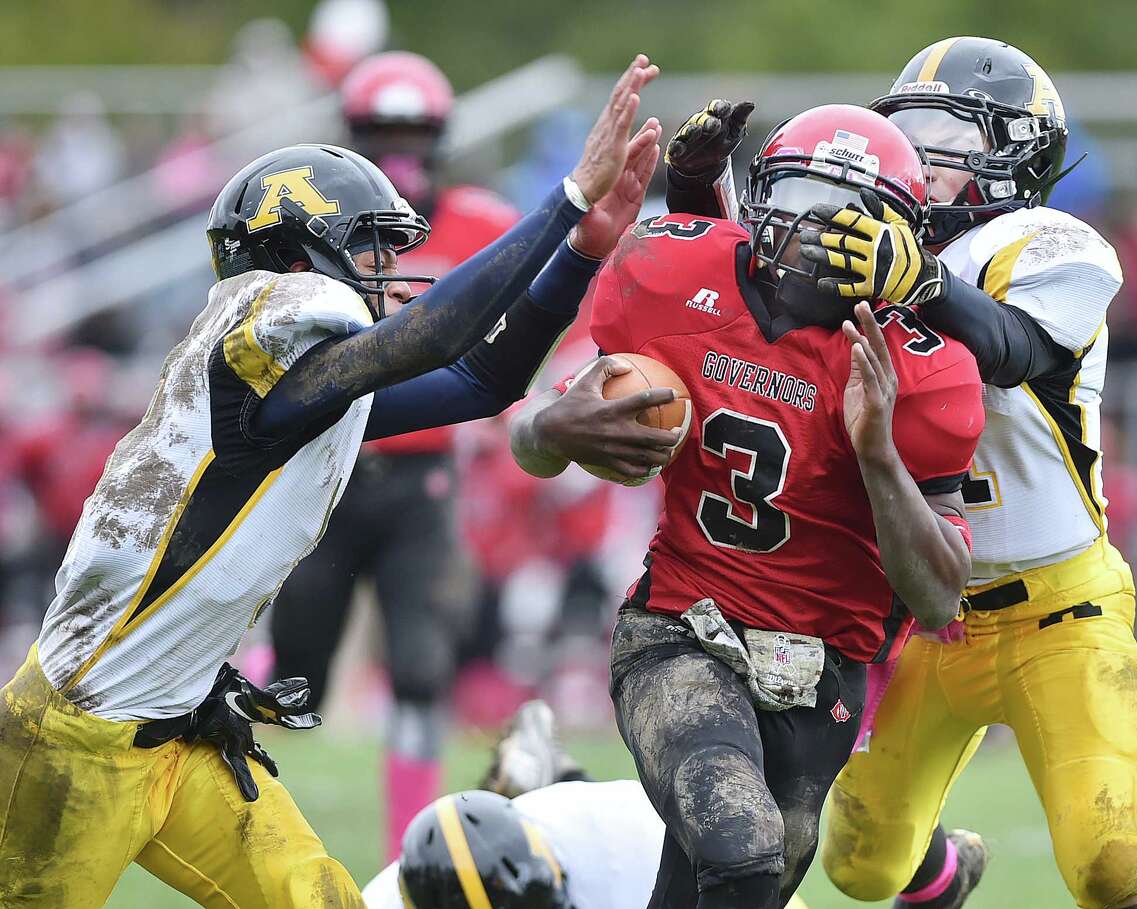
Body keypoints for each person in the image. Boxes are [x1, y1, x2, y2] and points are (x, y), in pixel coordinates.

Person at [0, 55, 667, 909]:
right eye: (368, 241)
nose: (387, 261)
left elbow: (480, 380)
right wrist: (566, 198)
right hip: (78, 740)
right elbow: (437, 338)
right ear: (292, 255)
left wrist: (579, 252)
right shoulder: (256, 338)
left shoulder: (308, 388)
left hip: (182, 733)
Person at [663, 36, 1137, 909]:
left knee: (1111, 862)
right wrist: (694, 191)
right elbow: (746, 286)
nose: (924, 154)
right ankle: (945, 875)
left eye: (953, 135)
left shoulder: (1047, 243)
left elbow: (1013, 348)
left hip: (1059, 608)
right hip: (928, 609)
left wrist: (920, 280)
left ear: (1017, 154)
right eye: (914, 128)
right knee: (861, 863)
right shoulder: (865, 243)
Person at [509, 105, 984, 909]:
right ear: (760, 198)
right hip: (681, 630)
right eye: (797, 200)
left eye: (844, 219)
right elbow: (532, 439)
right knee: (741, 846)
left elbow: (939, 596)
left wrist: (877, 455)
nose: (811, 232)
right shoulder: (675, 272)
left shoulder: (918, 367)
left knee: (724, 886)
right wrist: (549, 427)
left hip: (821, 673)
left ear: (898, 241)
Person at [268, 50, 524, 857]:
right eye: (381, 135)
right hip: (327, 467)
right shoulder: (311, 230)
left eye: (412, 135)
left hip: (424, 481)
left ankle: (402, 853)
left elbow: (538, 318)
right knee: (293, 673)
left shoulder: (483, 221)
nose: (399, 154)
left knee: (419, 666)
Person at [361, 700, 814, 909]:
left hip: (617, 833)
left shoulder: (625, 857)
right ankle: (537, 774)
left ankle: (545, 775)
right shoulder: (379, 901)